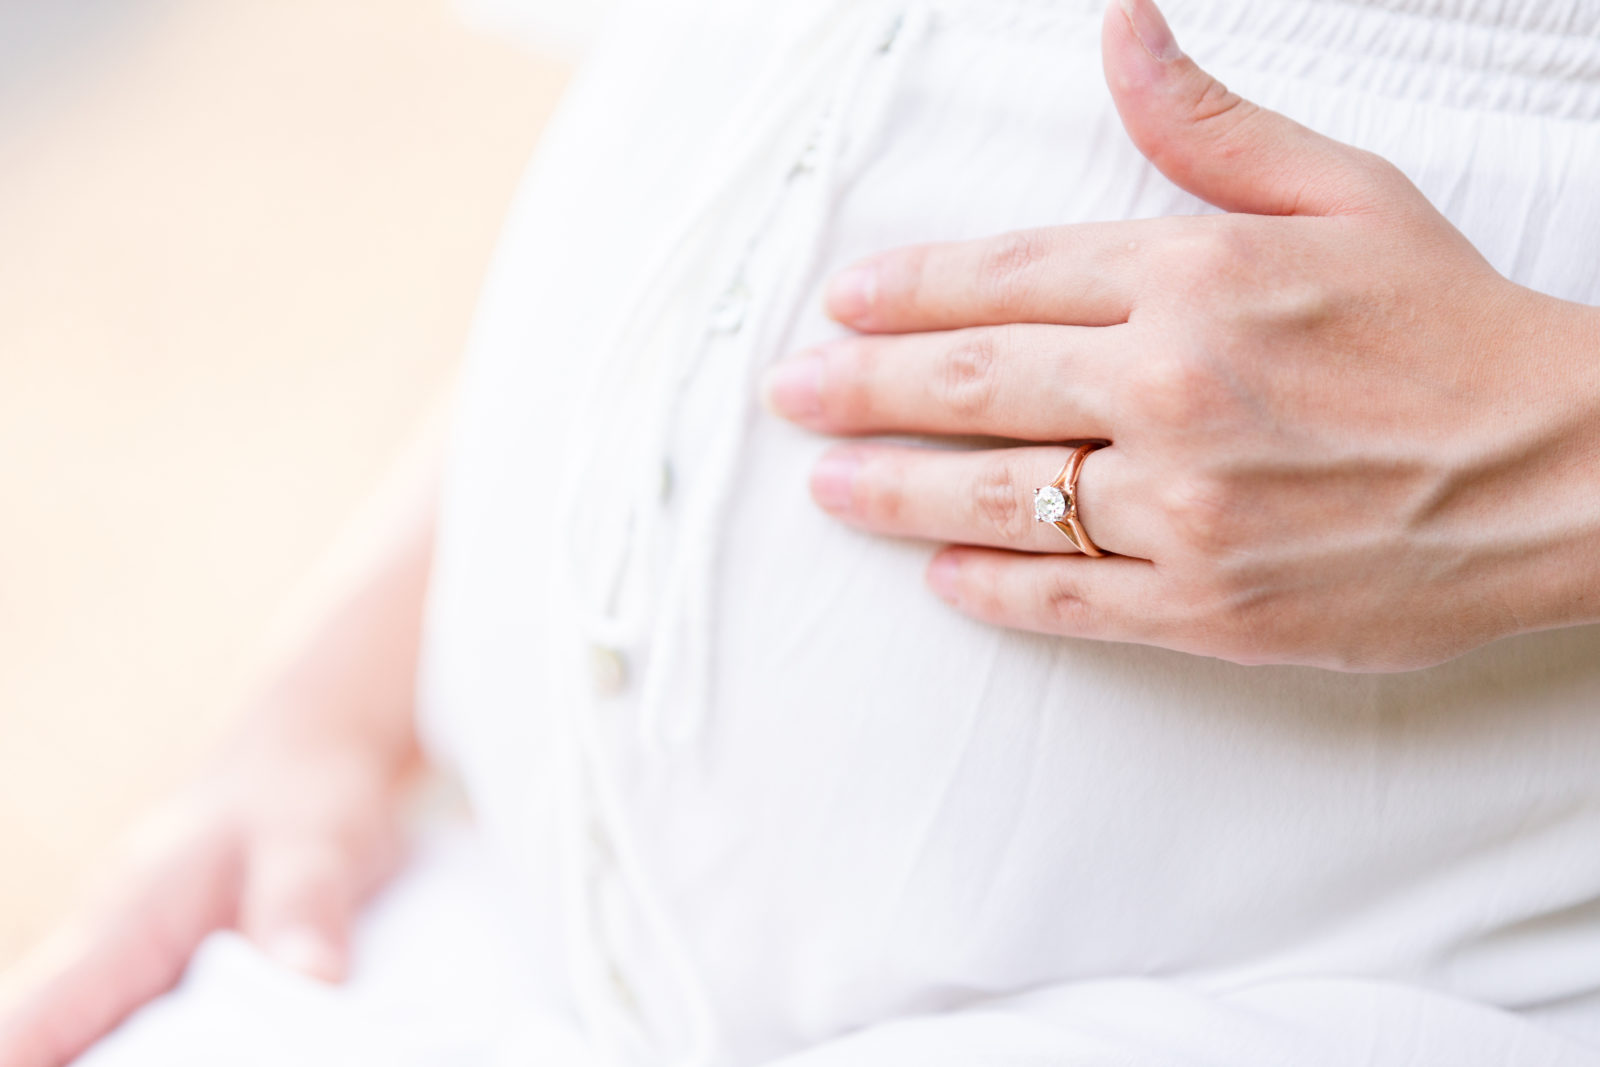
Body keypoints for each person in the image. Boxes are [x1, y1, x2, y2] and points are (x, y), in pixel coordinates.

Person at [4, 0, 1600, 1063]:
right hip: (485, 920)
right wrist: (325, 707)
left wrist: (1559, 448)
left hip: (1376, 974)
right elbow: (782, 113)